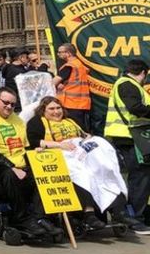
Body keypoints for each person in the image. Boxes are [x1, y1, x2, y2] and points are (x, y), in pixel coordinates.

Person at [26, 96, 139, 231]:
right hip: (60, 156)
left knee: (105, 170)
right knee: (83, 175)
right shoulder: (37, 122)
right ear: (43, 111)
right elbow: (35, 141)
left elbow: (85, 135)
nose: (56, 112)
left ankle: (118, 211)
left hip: (82, 153)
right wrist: (59, 145)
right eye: (51, 109)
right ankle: (89, 214)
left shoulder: (71, 120)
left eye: (58, 108)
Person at [0, 87, 62, 237]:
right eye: (5, 103)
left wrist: (35, 156)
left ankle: (40, 217)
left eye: (12, 104)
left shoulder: (18, 121)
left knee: (43, 173)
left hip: (19, 163)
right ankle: (21, 219)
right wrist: (12, 167)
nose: (9, 107)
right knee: (11, 175)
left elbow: (26, 147)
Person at [104, 59, 150, 233]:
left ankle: (138, 214)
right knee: (140, 176)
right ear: (144, 73)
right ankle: (134, 217)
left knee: (141, 176)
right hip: (129, 136)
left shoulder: (127, 84)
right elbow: (135, 108)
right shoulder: (127, 84)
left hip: (133, 136)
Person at [52, 43, 91, 132]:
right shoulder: (79, 64)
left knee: (74, 130)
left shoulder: (69, 66)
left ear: (68, 53)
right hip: (81, 103)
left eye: (60, 52)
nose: (58, 54)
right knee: (81, 129)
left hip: (70, 103)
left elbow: (53, 82)